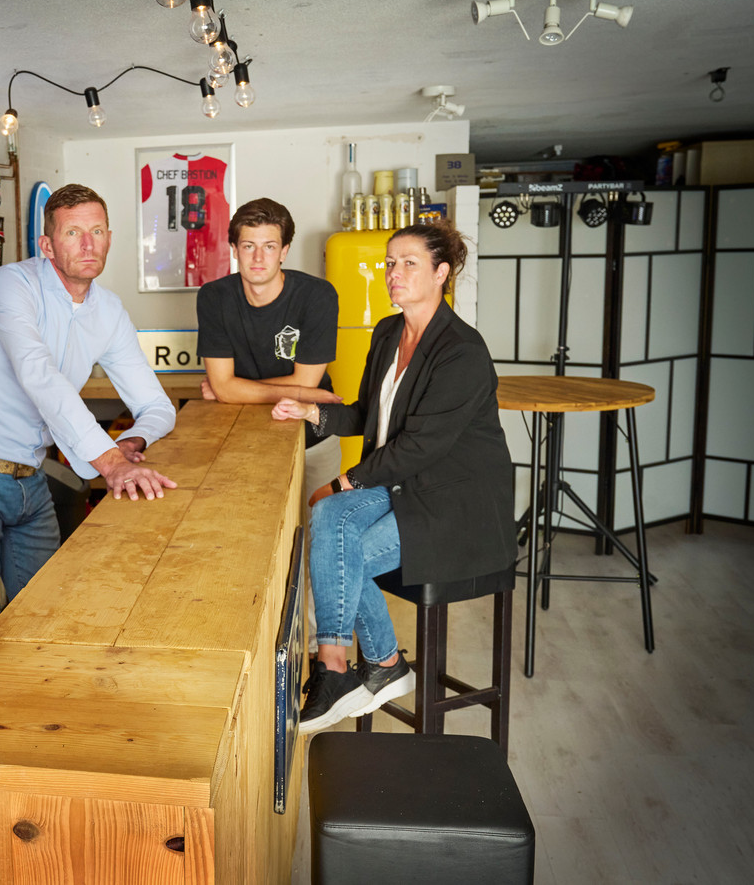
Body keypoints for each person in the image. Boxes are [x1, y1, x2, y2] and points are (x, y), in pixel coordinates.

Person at [272, 223, 514, 734]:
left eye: (408, 263)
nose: (393, 274)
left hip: (455, 503)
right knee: (329, 519)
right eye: (389, 263)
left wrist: (344, 481)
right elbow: (371, 417)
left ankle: (367, 664)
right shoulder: (387, 332)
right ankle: (348, 666)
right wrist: (312, 412)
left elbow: (421, 445)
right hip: (402, 485)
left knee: (341, 542)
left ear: (441, 273)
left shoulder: (462, 350)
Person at [0, 183, 178, 634]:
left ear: (110, 239)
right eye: (73, 233)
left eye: (96, 232)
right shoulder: (12, 285)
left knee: (47, 620)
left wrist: (130, 441)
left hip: (31, 477)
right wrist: (110, 462)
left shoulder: (108, 311)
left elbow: (157, 404)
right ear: (47, 245)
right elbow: (39, 375)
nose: (87, 245)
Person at [195, 197, 344, 531]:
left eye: (269, 246)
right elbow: (301, 388)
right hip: (242, 439)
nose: (258, 258)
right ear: (234, 249)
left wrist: (231, 389)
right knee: (251, 534)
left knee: (319, 535)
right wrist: (226, 389)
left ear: (284, 251)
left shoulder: (317, 295)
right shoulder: (214, 297)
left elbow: (305, 385)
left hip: (312, 438)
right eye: (248, 246)